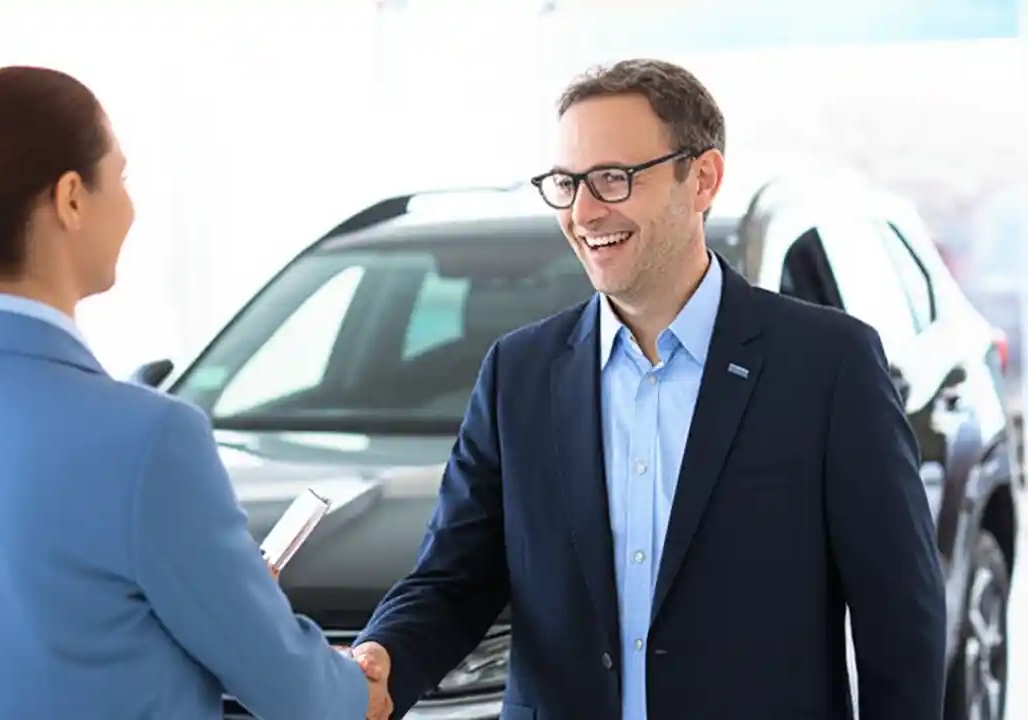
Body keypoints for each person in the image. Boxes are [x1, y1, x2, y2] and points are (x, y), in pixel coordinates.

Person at [350, 59, 945, 719]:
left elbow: (901, 619)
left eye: (613, 178)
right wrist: (384, 662)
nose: (582, 211)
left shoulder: (828, 365)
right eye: (566, 183)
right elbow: (454, 578)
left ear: (703, 179)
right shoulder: (518, 373)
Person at [0, 65, 390, 720]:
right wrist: (354, 684)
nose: (131, 207)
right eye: (122, 176)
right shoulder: (148, 438)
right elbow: (297, 694)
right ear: (71, 198)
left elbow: (21, 639)